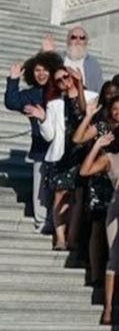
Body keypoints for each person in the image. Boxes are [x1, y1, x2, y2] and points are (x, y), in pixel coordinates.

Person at [78, 126, 119, 325]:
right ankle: (107, 308)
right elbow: (84, 170)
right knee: (115, 259)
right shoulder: (112, 158)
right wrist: (98, 145)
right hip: (118, 212)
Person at [36, 69, 96, 250]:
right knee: (60, 195)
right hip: (62, 154)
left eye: (66, 77)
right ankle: (60, 238)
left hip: (83, 154)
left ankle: (72, 238)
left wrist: (79, 84)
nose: (63, 81)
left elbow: (90, 117)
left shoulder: (92, 96)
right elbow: (49, 135)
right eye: (59, 80)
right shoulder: (54, 104)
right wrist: (42, 119)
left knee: (78, 198)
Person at [7, 53, 61, 232]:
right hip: (40, 148)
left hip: (62, 146)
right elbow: (12, 102)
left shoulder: (61, 90)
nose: (41, 74)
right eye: (37, 70)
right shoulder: (31, 94)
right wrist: (13, 80)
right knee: (41, 188)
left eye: (45, 69)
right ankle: (42, 221)